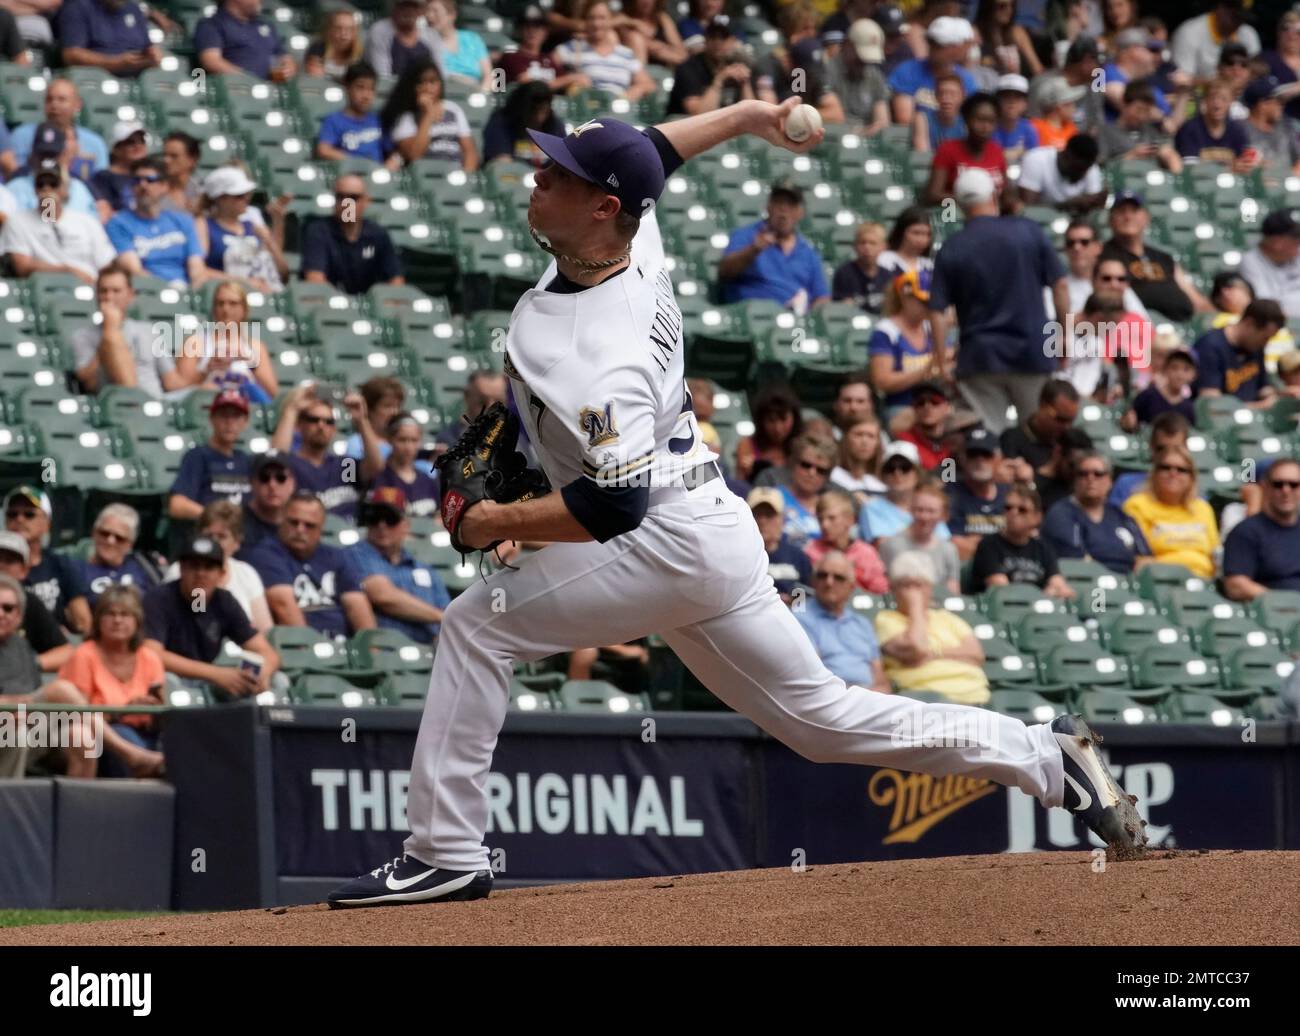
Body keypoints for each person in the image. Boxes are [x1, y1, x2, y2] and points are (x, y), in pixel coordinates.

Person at [327, 101, 1147, 909]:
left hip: (661, 536)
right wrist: (749, 114)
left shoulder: (598, 354)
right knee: (821, 723)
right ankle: (1045, 757)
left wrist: (497, 522)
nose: (537, 177)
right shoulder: (630, 237)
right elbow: (654, 150)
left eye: (557, 174)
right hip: (705, 521)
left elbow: (614, 505)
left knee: (474, 629)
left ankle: (445, 854)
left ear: (602, 207)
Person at [928, 167, 1069, 436]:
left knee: (986, 442)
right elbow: (1060, 286)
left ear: (959, 204)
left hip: (980, 357)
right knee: (1036, 439)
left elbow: (936, 310)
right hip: (1032, 351)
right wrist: (1063, 336)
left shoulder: (952, 246)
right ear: (994, 194)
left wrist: (941, 360)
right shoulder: (1028, 231)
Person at [143, 535, 280, 699]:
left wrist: (261, 674)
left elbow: (267, 652)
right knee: (169, 682)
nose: (201, 573)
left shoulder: (224, 601)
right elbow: (152, 654)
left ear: (221, 574)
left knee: (279, 680)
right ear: (181, 569)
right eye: (194, 566)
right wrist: (216, 674)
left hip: (207, 681)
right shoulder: (159, 598)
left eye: (208, 567)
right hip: (171, 678)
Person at [56, 586, 166, 777]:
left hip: (147, 732)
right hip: (104, 737)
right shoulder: (84, 655)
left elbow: (162, 711)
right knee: (123, 734)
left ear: (137, 621)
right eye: (110, 614)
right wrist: (123, 712)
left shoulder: (149, 657)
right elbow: (76, 715)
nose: (117, 620)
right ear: (98, 620)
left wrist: (152, 709)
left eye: (125, 614)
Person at [0, 575, 98, 780]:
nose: (1, 613)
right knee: (58, 691)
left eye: (8, 608)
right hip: (8, 726)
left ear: (19, 616)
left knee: (82, 737)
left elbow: (28, 699)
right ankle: (10, 807)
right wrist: (8, 705)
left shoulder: (22, 646)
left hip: (30, 723)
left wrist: (21, 709)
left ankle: (77, 808)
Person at [246, 492, 376, 636]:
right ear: (282, 520)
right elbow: (283, 607)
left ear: (321, 529)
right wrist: (309, 651)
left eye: (309, 525)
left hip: (342, 645)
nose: (300, 530)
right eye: (294, 522)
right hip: (299, 646)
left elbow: (357, 605)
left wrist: (371, 650)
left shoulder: (336, 556)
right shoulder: (266, 555)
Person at [874, 550, 989, 705]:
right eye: (906, 585)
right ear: (894, 589)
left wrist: (935, 652)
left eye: (919, 585)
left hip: (976, 697)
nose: (913, 592)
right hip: (925, 702)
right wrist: (916, 608)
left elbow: (976, 654)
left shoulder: (947, 618)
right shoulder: (886, 620)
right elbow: (917, 649)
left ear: (930, 588)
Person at [349, 487, 450, 643]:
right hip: (385, 652)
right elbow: (382, 596)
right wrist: (439, 617)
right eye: (375, 518)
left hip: (429, 652)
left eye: (390, 519)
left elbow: (448, 612)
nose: (382, 525)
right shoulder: (355, 554)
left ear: (406, 525)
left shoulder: (424, 569)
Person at [271, 385, 384, 519]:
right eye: (314, 420)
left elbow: (375, 467)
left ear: (334, 429)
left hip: (348, 533)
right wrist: (292, 410)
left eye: (328, 422)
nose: (321, 426)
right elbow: (274, 462)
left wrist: (361, 420)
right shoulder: (292, 466)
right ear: (299, 425)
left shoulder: (345, 466)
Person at [718, 179, 829, 312]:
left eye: (790, 204)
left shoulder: (808, 253)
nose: (783, 209)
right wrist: (753, 250)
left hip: (794, 321)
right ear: (768, 207)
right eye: (778, 202)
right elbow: (725, 272)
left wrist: (812, 315)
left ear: (800, 213)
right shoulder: (747, 236)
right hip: (753, 315)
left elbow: (821, 297)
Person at [1100, 191, 1209, 323]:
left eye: (1134, 211)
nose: (1128, 216)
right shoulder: (1102, 255)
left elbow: (1196, 300)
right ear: (1110, 219)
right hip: (1134, 329)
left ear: (1146, 217)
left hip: (1181, 326)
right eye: (1121, 211)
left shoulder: (1164, 258)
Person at [163, 501, 272, 631]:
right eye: (208, 535)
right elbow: (196, 620)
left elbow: (265, 630)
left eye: (222, 537)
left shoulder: (246, 573)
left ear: (237, 542)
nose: (213, 542)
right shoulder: (182, 570)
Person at [0, 161, 115, 282]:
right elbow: (22, 267)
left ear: (65, 189)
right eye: (40, 184)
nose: (46, 188)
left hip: (88, 288)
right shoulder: (18, 221)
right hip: (42, 290)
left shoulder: (87, 222)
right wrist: (68, 272)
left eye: (53, 183)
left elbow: (105, 264)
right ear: (34, 189)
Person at [106, 155, 210, 287]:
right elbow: (135, 271)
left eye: (150, 180)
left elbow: (197, 267)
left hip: (184, 290)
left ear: (164, 186)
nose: (142, 185)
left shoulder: (183, 221)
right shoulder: (119, 223)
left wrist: (192, 293)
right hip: (148, 293)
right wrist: (168, 291)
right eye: (137, 180)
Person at [794, 548, 889, 690]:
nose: (829, 582)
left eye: (838, 577)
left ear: (851, 587)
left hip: (869, 698)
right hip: (831, 698)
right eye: (822, 575)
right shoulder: (800, 618)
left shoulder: (862, 624)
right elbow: (812, 677)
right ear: (813, 581)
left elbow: (880, 679)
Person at [1042, 450, 1151, 573]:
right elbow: (1079, 562)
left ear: (1110, 481)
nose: (1090, 478)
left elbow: (1145, 558)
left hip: (1128, 583)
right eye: (1083, 474)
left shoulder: (1121, 515)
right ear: (1075, 480)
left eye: (1098, 474)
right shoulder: (1061, 514)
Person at [1122, 445, 1219, 579]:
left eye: (1181, 470)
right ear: (1154, 473)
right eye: (1165, 467)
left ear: (1192, 478)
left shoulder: (1202, 508)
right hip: (1160, 580)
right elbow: (1140, 556)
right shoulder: (1137, 505)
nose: (1173, 473)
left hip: (1203, 581)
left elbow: (1215, 554)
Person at [173, 279, 279, 402]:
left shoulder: (255, 347)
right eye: (220, 303)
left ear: (244, 310)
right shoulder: (195, 342)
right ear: (213, 309)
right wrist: (207, 370)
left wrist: (251, 364)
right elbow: (180, 388)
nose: (226, 309)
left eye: (233, 303)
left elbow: (273, 394)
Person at [5, 485, 91, 635]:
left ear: (47, 524)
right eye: (12, 514)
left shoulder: (61, 564)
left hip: (53, 645)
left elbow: (83, 623)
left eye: (29, 514)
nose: (19, 519)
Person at [300, 175, 405, 294]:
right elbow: (315, 280)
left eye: (353, 198)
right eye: (340, 197)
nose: (346, 203)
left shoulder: (378, 234)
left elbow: (396, 280)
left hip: (371, 307)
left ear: (366, 201)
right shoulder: (318, 231)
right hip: (331, 307)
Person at [969, 482, 1073, 597]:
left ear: (1037, 517)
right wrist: (1045, 596)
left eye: (1022, 510)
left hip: (1037, 611)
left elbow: (1060, 587)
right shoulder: (988, 545)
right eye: (1008, 508)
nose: (1013, 513)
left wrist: (1056, 591)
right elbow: (1002, 592)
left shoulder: (1043, 548)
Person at [194, 167, 288, 291]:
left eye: (247, 194)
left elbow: (281, 272)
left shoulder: (253, 227)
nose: (246, 199)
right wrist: (244, 283)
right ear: (220, 198)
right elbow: (199, 271)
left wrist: (272, 237)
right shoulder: (204, 226)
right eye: (239, 196)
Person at [168, 388, 254, 520]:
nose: (229, 422)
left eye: (236, 416)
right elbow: (177, 505)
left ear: (245, 422)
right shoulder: (197, 456)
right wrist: (216, 519)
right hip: (207, 532)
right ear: (212, 418)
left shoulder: (246, 461)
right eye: (224, 415)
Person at [1222, 459, 1300, 600]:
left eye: (1294, 485)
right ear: (1265, 487)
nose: (1286, 490)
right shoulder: (1246, 531)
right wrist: (1282, 601)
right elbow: (1236, 585)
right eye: (1278, 484)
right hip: (1272, 614)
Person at [381, 59, 478, 170]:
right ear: (412, 86)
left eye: (433, 82)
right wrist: (428, 116)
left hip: (455, 174)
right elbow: (414, 155)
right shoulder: (405, 117)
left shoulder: (453, 109)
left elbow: (469, 151)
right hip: (425, 176)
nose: (427, 88)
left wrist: (466, 178)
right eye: (421, 83)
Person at [4, 78, 108, 179]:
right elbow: (13, 174)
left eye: (62, 99)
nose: (54, 105)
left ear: (77, 104)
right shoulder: (22, 135)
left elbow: (101, 183)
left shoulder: (95, 142)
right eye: (49, 99)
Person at [553, 0, 655, 100]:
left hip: (618, 109)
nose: (596, 24)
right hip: (586, 109)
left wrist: (636, 90)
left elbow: (648, 84)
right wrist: (570, 79)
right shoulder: (571, 48)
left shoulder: (625, 54)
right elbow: (546, 80)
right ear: (585, 21)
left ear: (610, 20)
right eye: (592, 18)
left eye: (602, 18)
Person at [0, 531, 72, 672]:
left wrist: (28, 664)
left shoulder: (29, 602)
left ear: (24, 570)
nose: (1, 566)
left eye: (10, 561)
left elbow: (66, 653)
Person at [1191, 299, 1285, 406]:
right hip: (1225, 420)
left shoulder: (1255, 347)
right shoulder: (1210, 347)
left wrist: (1279, 396)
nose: (1266, 343)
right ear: (1249, 323)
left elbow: (1263, 387)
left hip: (1253, 416)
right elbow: (1211, 405)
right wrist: (1259, 407)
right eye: (1265, 338)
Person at [887, 15, 978, 126]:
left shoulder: (967, 80)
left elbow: (971, 120)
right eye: (931, 42)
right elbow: (904, 119)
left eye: (940, 45)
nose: (933, 48)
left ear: (958, 48)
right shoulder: (907, 71)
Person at [879, 479, 961, 594]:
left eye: (931, 511)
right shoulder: (891, 545)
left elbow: (953, 590)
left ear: (943, 515)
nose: (924, 517)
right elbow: (887, 586)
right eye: (919, 510)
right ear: (910, 510)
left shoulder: (949, 549)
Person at [861, 440, 952, 543]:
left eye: (905, 467)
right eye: (890, 468)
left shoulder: (929, 505)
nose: (897, 473)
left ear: (917, 473)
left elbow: (944, 542)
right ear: (883, 475)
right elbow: (883, 546)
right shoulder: (872, 507)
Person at [923, 91, 1006, 204]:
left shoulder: (996, 151)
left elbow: (1007, 193)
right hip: (954, 217)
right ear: (967, 119)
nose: (985, 127)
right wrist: (973, 199)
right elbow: (932, 195)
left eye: (991, 121)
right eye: (980, 120)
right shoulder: (948, 150)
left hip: (993, 217)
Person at [666, 14, 755, 116]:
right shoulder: (689, 67)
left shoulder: (738, 64)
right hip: (684, 124)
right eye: (713, 36)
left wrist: (745, 83)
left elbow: (750, 115)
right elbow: (697, 115)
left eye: (723, 37)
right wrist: (719, 80)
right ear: (705, 38)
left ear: (733, 41)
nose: (717, 42)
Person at [946, 426, 1011, 560]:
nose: (979, 461)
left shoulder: (1011, 494)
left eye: (986, 455)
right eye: (973, 454)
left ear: (998, 459)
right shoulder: (949, 494)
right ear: (962, 459)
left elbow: (1027, 540)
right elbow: (955, 545)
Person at [805, 489, 887, 592]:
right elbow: (801, 592)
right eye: (820, 519)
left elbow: (881, 590)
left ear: (850, 520)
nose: (824, 525)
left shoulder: (866, 553)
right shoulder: (811, 551)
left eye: (831, 518)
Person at [194, 0, 296, 81]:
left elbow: (284, 56)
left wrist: (288, 67)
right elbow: (211, 61)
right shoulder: (212, 24)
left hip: (270, 90)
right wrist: (247, 79)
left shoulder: (265, 24)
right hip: (234, 89)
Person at [80, 503, 159, 607]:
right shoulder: (76, 572)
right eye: (105, 533)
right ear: (94, 533)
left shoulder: (144, 568)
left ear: (130, 544)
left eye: (119, 538)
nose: (110, 541)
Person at [316, 62, 393, 167]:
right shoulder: (334, 120)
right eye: (360, 87)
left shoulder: (378, 121)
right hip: (349, 173)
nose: (366, 95)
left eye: (371, 89)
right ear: (347, 88)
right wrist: (357, 162)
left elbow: (392, 151)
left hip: (376, 175)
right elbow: (324, 150)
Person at [821, 18, 890, 135]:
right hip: (832, 140)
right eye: (860, 58)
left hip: (866, 144)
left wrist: (878, 128)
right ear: (848, 44)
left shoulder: (874, 75)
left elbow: (882, 120)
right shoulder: (826, 70)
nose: (864, 63)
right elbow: (833, 116)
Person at [1097, 79, 1182, 172]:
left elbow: (1168, 153)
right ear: (1125, 104)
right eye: (1139, 109)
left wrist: (1176, 174)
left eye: (1147, 111)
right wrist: (1130, 157)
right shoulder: (1106, 132)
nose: (1142, 116)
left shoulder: (1150, 130)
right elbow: (1101, 168)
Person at [58, 0, 162, 76]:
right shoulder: (78, 7)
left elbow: (148, 47)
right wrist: (116, 63)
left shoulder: (133, 9)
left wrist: (152, 54)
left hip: (138, 80)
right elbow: (71, 55)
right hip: (95, 81)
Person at [1171, 0, 1259, 84]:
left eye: (1242, 18)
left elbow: (1257, 74)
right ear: (1221, 8)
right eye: (1235, 16)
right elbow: (1180, 79)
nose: (1238, 22)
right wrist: (1220, 83)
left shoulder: (1248, 34)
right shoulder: (1190, 32)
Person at [1000, 379, 1081, 471]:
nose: (1066, 427)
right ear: (1043, 405)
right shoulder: (1012, 439)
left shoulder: (1074, 439)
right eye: (1060, 419)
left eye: (1071, 421)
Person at [482, 80, 566, 166]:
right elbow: (502, 162)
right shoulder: (501, 122)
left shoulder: (554, 124)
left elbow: (563, 161)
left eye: (543, 112)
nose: (538, 118)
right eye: (533, 112)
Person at [749, 487, 812, 602]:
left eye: (769, 515)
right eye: (757, 514)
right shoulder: (739, 556)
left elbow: (807, 600)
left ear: (781, 519)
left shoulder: (798, 558)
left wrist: (792, 602)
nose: (762, 521)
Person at [372, 413, 440, 517]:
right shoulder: (379, 478)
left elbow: (439, 515)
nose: (408, 447)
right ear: (390, 440)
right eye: (402, 440)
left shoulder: (428, 480)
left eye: (414, 440)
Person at [1017, 134, 1105, 213]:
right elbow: (1028, 209)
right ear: (1067, 156)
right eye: (1079, 169)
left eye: (1086, 170)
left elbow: (1094, 208)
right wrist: (1066, 205)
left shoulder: (1091, 168)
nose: (1084, 174)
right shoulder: (1036, 159)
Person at [1237, 209, 1300, 320]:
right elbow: (1268, 308)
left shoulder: (1296, 257)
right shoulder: (1251, 262)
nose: (1298, 243)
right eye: (1296, 238)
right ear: (1277, 241)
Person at [1174, 79, 1251, 168]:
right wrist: (1231, 167)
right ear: (1205, 100)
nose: (1217, 105)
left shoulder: (1237, 131)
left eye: (1224, 99)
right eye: (1212, 98)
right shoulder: (1190, 129)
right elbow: (1190, 168)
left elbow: (1245, 164)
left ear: (1231, 102)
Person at [734, 383, 803, 483]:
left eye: (783, 419)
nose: (778, 428)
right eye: (771, 420)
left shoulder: (803, 448)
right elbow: (739, 485)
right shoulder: (747, 445)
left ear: (794, 418)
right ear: (761, 421)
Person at [777, 434, 837, 547]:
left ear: (827, 476)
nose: (812, 473)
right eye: (806, 465)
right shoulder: (774, 498)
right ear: (793, 463)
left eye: (821, 470)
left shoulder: (832, 506)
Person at [1243, 76, 1300, 185]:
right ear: (1262, 105)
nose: (1282, 105)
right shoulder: (1241, 130)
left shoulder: (1286, 126)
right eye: (1278, 100)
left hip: (1288, 189)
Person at [239, 451, 296, 554]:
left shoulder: (300, 523)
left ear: (292, 484)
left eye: (280, 478)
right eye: (264, 478)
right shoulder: (236, 523)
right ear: (252, 483)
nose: (272, 485)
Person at [89, 120, 150, 217]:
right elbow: (106, 212)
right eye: (130, 142)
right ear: (116, 149)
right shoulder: (102, 178)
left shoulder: (150, 176)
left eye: (141, 141)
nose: (138, 146)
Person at [365, 0, 439, 80]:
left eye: (413, 7)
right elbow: (383, 77)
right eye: (403, 6)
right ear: (393, 7)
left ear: (420, 11)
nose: (408, 11)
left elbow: (440, 73)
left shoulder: (431, 35)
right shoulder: (379, 31)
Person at [1124, 347, 1197, 426]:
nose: (1179, 375)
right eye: (1174, 367)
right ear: (1165, 369)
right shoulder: (1148, 396)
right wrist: (1128, 423)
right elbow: (1128, 420)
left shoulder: (1188, 408)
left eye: (1186, 369)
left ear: (1193, 374)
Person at [426, 0, 492, 88]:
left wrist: (482, 93)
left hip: (471, 92)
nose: (429, 16)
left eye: (435, 11)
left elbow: (488, 75)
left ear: (452, 15)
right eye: (427, 11)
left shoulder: (472, 39)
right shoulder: (424, 42)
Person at [831, 221, 891, 313]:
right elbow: (841, 307)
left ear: (883, 247)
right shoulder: (844, 273)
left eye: (873, 243)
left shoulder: (887, 275)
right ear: (855, 246)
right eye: (862, 243)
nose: (867, 247)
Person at [974, 0, 1043, 77]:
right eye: (1002, 6)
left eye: (1012, 6)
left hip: (1014, 85)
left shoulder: (1017, 33)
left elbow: (1036, 68)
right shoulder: (975, 33)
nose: (1009, 10)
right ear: (988, 7)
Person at [894, 379, 952, 471]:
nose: (927, 407)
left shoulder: (956, 441)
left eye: (935, 402)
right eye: (920, 403)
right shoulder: (905, 441)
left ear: (948, 408)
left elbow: (950, 478)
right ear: (914, 409)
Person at [615, 0, 687, 68]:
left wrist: (658, 48)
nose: (646, 1)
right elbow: (606, 24)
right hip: (641, 69)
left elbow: (682, 55)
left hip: (665, 72)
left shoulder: (662, 18)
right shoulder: (624, 20)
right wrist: (633, 22)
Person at [831, 416, 886, 501]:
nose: (864, 441)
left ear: (878, 442)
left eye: (871, 436)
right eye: (858, 435)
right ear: (846, 439)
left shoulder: (885, 481)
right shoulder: (832, 475)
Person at [912, 73, 966, 155]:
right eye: (942, 93)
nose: (946, 99)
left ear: (962, 96)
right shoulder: (923, 119)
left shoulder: (967, 121)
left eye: (952, 94)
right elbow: (923, 154)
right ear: (936, 96)